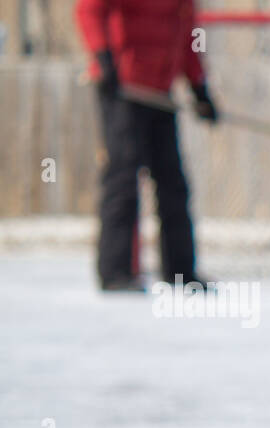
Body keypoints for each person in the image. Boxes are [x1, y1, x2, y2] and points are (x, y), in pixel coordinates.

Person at [75, 0, 217, 292]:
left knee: (173, 182)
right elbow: (89, 9)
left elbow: (187, 32)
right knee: (123, 179)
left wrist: (198, 87)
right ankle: (116, 272)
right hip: (123, 88)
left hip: (159, 91)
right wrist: (103, 56)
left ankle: (180, 271)